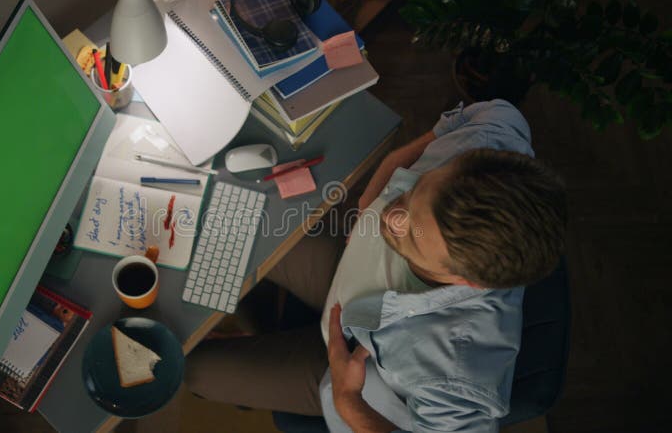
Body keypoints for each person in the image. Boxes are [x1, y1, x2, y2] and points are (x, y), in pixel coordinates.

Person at [185, 100, 567, 433]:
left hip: (344, 362)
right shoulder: (496, 135)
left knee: (194, 369)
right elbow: (495, 110)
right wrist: (385, 175)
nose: (392, 217)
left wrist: (349, 402)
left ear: (469, 282)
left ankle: (253, 355)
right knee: (229, 219)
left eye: (413, 237)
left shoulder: (456, 375)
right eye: (416, 188)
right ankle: (261, 334)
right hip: (346, 273)